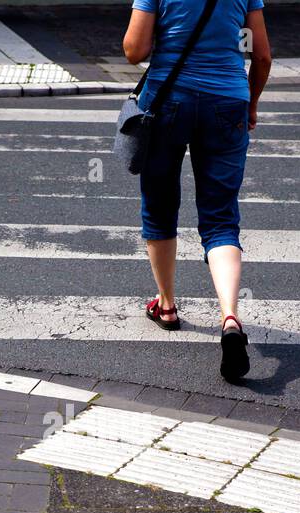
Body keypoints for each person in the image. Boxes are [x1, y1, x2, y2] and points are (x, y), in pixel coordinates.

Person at [123, 0, 271, 383]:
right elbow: (263, 55)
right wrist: (250, 104)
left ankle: (167, 306)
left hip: (167, 102)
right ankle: (230, 317)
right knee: (221, 218)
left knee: (159, 205)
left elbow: (133, 50)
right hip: (227, 103)